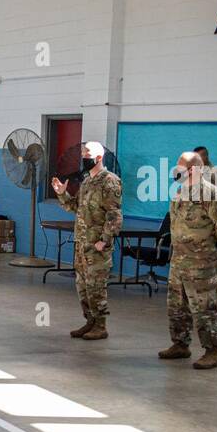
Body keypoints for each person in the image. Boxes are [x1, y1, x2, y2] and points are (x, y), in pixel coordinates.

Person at [160, 151, 217, 370]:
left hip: (202, 264)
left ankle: (211, 352)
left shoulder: (212, 195)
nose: (176, 170)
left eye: (180, 167)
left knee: (205, 310)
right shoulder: (180, 193)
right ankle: (180, 345)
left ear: (193, 169)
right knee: (177, 308)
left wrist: (216, 252)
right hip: (179, 262)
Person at [52, 141, 121, 340]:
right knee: (82, 286)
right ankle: (89, 321)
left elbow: (114, 215)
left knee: (96, 286)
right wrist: (61, 193)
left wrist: (104, 240)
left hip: (97, 246)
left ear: (99, 157)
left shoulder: (110, 181)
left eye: (87, 153)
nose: (83, 157)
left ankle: (100, 326)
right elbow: (75, 207)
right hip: (82, 244)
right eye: (82, 153)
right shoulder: (87, 181)